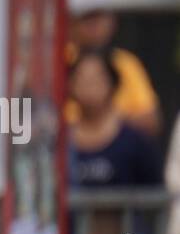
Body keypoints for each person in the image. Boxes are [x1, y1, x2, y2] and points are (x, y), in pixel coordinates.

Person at [67, 47, 164, 234]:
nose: (89, 86)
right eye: (82, 79)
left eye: (96, 78)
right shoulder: (61, 144)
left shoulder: (133, 141)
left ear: (112, 83)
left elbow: (156, 192)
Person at [65, 8, 161, 137]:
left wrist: (105, 124)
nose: (93, 25)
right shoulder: (58, 61)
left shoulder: (125, 64)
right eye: (86, 17)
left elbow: (151, 120)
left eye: (98, 80)